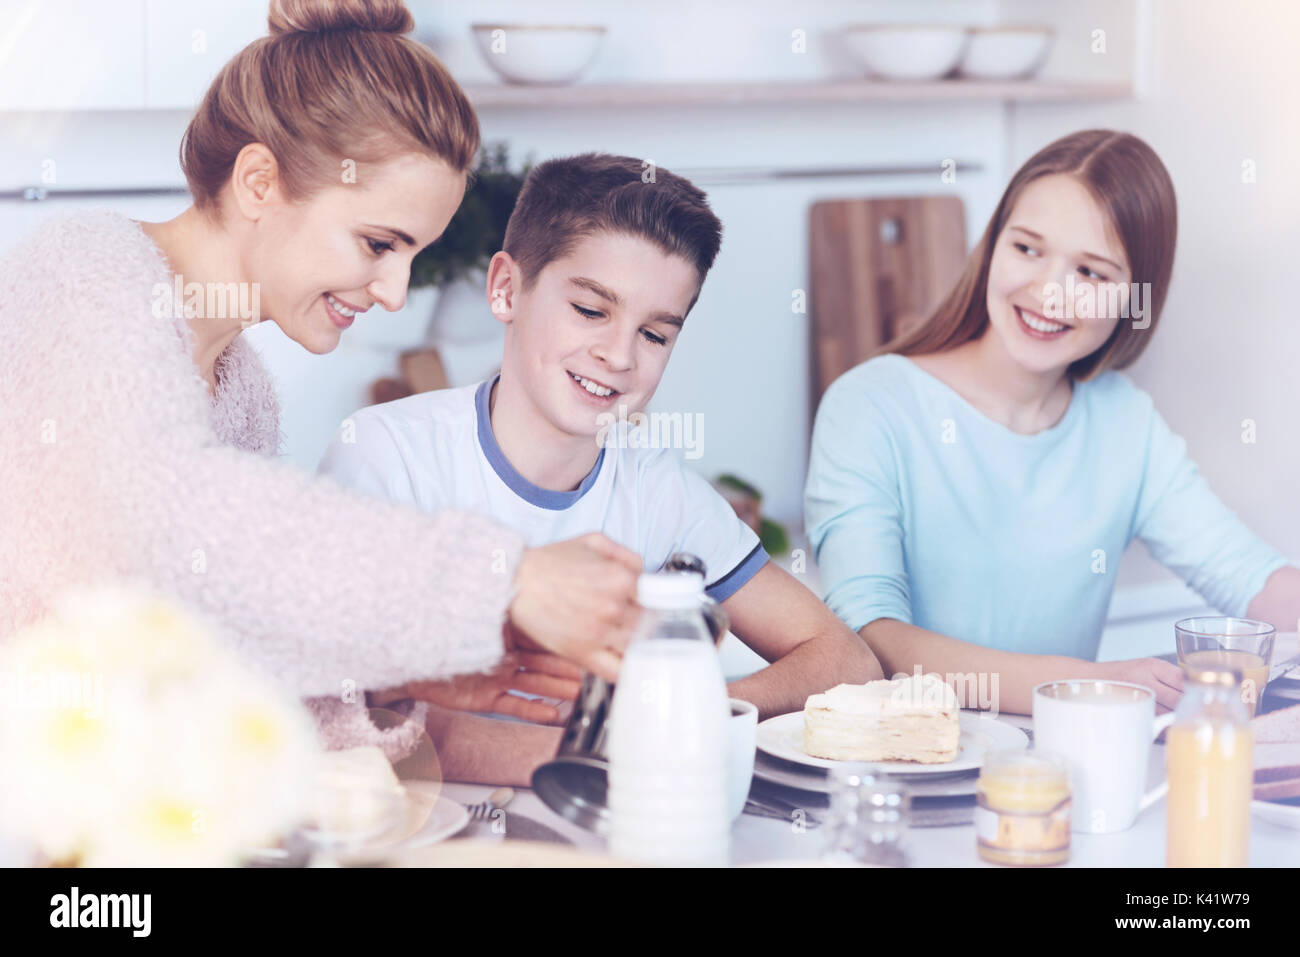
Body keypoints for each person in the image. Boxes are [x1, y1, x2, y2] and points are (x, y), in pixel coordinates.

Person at [0, 0, 641, 760]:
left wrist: (385, 683)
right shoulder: (81, 275)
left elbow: (210, 641)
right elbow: (164, 514)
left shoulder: (239, 390)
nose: (395, 291)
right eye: (378, 242)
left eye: (411, 255)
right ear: (261, 182)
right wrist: (504, 578)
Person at [319, 153, 882, 782]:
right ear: (506, 288)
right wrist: (599, 754)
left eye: (655, 334)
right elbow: (357, 717)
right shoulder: (387, 456)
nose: (618, 355)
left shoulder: (656, 487)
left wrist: (680, 715)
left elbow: (845, 660)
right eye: (591, 310)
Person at [805, 129, 1300, 716]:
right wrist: (1084, 683)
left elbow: (1247, 575)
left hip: (1053, 778)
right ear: (993, 246)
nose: (1049, 292)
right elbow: (868, 639)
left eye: (1091, 273)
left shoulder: (1124, 424)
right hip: (903, 771)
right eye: (1028, 249)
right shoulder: (870, 404)